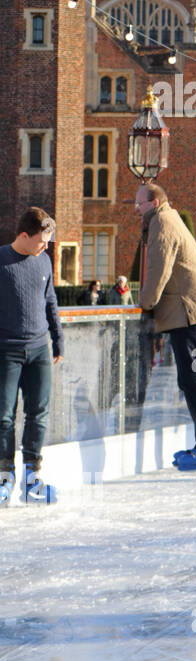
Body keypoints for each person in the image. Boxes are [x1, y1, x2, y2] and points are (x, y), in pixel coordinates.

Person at [135, 183, 196, 470]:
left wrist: (145, 302)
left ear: (156, 201)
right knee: (191, 380)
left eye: (141, 203)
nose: (136, 209)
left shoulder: (163, 222)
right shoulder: (166, 219)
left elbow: (158, 270)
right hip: (189, 317)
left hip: (189, 317)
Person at [0, 208, 64, 504]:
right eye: (42, 241)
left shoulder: (45, 261)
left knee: (38, 415)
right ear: (24, 236)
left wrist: (58, 341)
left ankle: (31, 478)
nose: (46, 247)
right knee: (4, 417)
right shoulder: (2, 261)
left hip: (39, 349)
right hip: (6, 350)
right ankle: (4, 475)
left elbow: (50, 301)